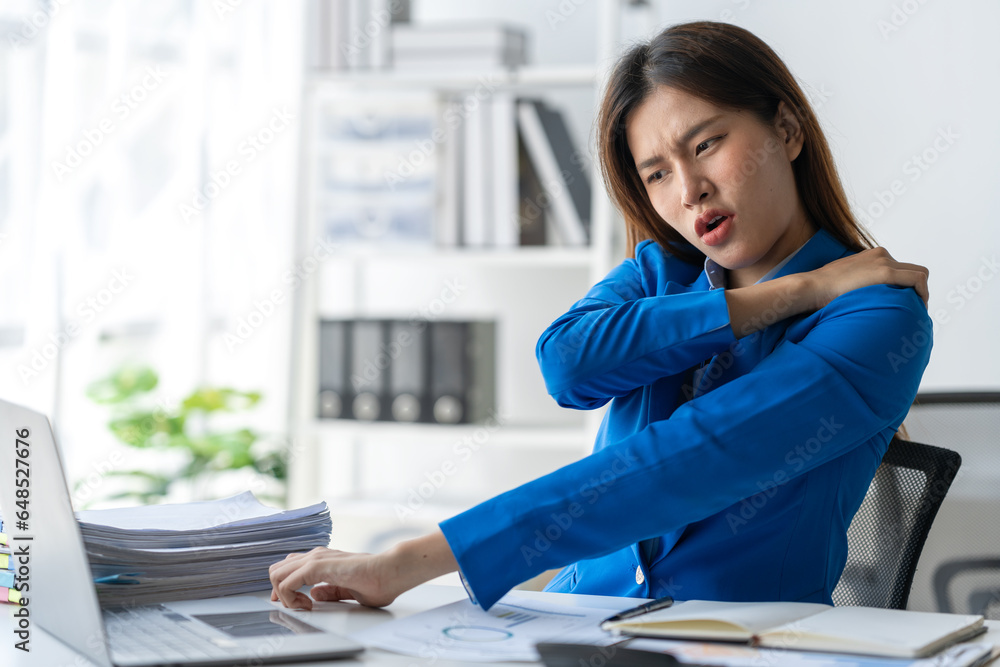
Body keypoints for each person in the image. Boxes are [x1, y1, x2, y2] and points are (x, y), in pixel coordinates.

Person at [269, 21, 931, 613]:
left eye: (706, 145)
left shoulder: (880, 317)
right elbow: (566, 365)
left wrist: (408, 562)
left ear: (786, 129)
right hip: (577, 620)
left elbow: (685, 460)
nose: (688, 188)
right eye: (656, 174)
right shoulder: (660, 273)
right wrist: (793, 292)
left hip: (745, 638)